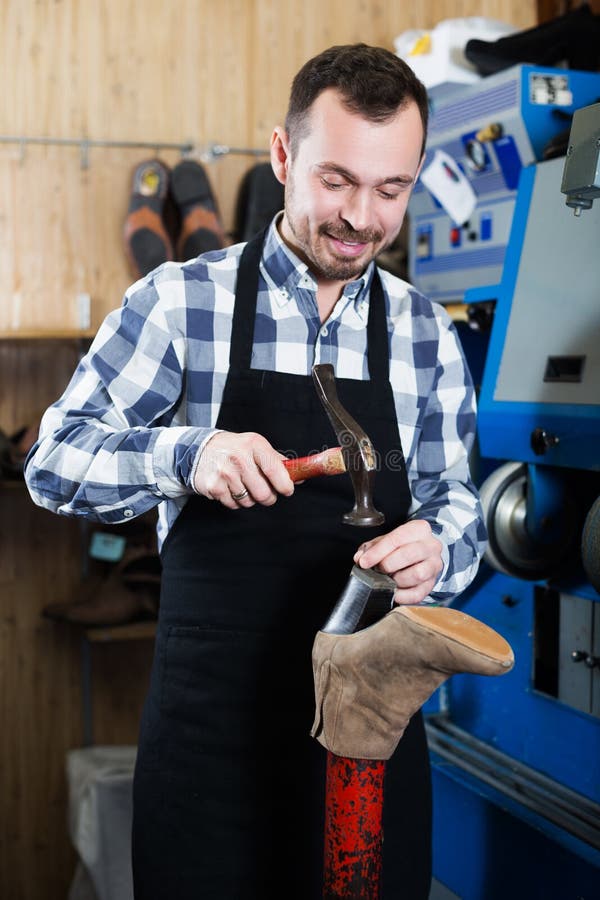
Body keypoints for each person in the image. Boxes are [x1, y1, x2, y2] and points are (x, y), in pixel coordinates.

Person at [25, 43, 487, 899]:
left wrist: (441, 548)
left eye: (392, 189)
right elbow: (53, 462)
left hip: (370, 736)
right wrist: (187, 454)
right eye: (336, 181)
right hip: (210, 744)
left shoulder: (426, 334)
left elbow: (459, 500)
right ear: (282, 155)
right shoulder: (179, 302)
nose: (361, 217)